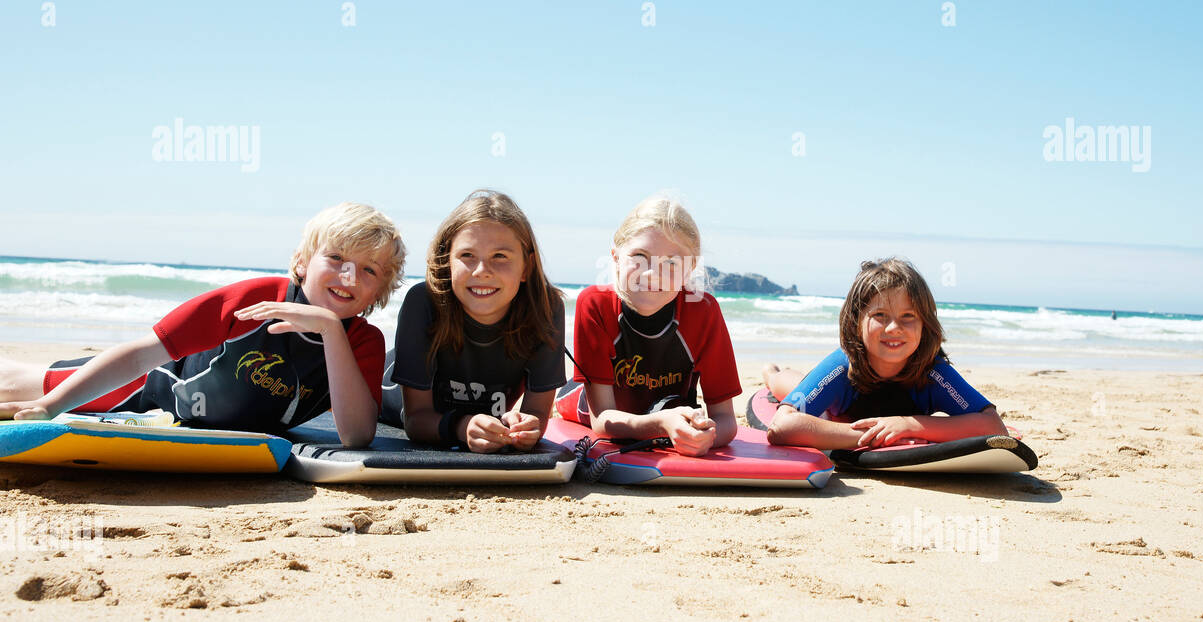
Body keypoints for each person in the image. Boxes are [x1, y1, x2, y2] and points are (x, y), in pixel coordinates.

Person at [0, 203, 406, 446]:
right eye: (336, 258)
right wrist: (52, 406)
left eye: (368, 269)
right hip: (148, 390)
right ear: (302, 262)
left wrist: (330, 331)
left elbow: (355, 437)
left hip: (194, 422)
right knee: (18, 387)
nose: (348, 276)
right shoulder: (253, 300)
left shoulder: (361, 343)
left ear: (381, 290)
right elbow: (146, 350)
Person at [380, 190, 566, 453]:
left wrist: (525, 426)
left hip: (476, 421)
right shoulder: (423, 302)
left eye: (500, 256)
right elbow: (415, 420)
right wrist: (461, 427)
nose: (482, 271)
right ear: (447, 262)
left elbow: (537, 412)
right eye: (467, 255)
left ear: (526, 267)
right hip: (389, 406)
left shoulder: (545, 309)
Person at [556, 195, 740, 456]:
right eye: (640, 257)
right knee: (576, 398)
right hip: (587, 402)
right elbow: (602, 421)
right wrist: (661, 425)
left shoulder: (703, 312)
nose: (653, 274)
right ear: (616, 257)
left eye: (672, 263)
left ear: (690, 268)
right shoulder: (595, 304)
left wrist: (705, 436)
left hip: (667, 413)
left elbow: (726, 421)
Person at [764, 257, 1007, 450]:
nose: (894, 328)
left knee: (803, 385)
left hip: (868, 416)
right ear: (856, 322)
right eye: (880, 316)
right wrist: (875, 435)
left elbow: (993, 425)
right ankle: (771, 372)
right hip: (834, 411)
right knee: (787, 384)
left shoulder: (932, 371)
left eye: (908, 317)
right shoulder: (841, 366)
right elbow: (782, 425)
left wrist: (908, 425)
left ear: (925, 325)